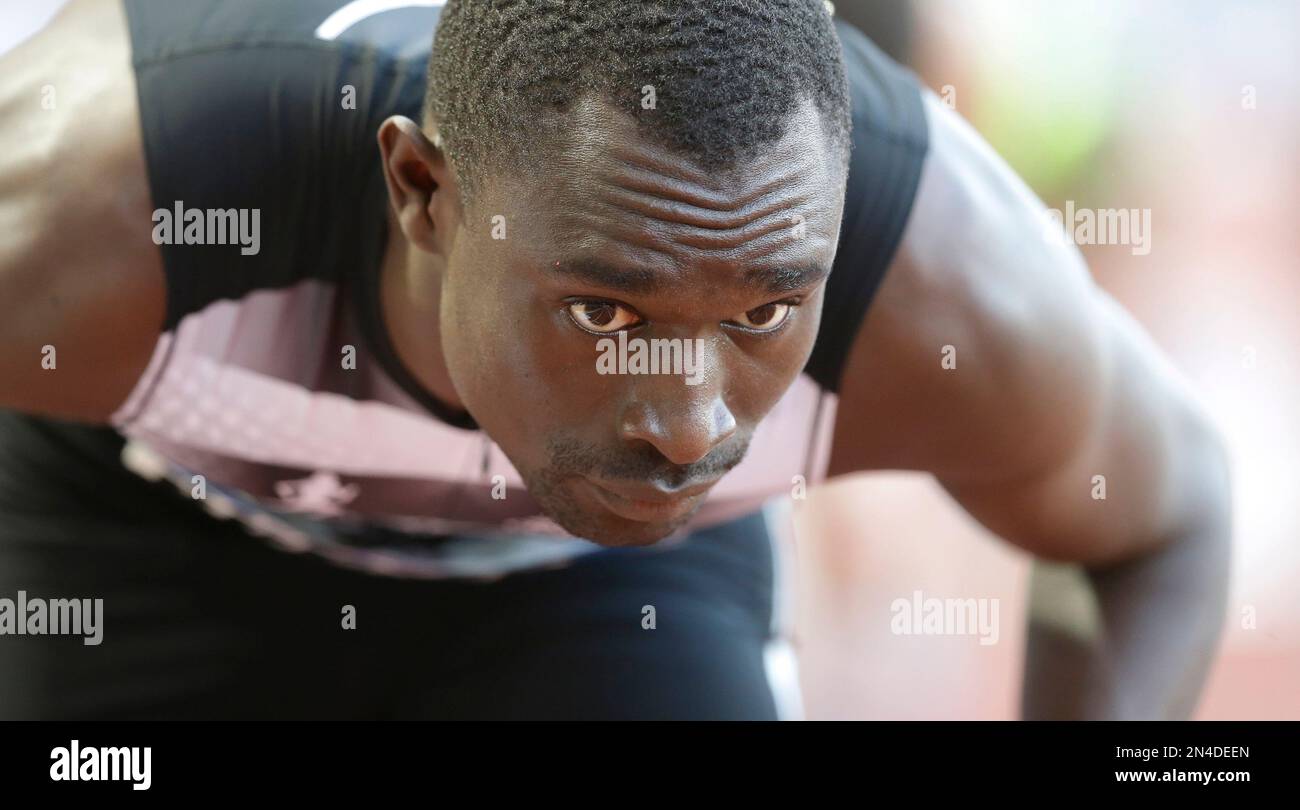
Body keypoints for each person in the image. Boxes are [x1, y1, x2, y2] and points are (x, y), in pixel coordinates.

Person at [0, 0, 1230, 719]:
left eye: (759, 318)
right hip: (135, 531)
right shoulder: (92, 219)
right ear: (423, 192)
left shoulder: (938, 291)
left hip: (600, 594)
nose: (692, 425)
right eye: (606, 313)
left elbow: (1159, 522)